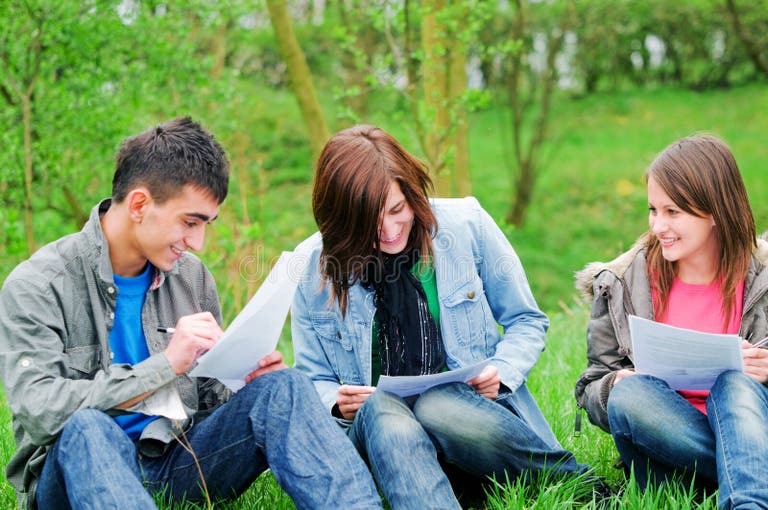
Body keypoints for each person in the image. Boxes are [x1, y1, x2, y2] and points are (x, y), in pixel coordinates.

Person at [0, 117, 382, 510]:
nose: (197, 242)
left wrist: (244, 382)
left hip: (173, 459)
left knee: (284, 387)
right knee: (89, 427)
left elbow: (210, 402)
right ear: (139, 204)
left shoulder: (192, 278)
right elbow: (42, 411)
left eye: (206, 225)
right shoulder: (38, 285)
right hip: (75, 473)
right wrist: (166, 364)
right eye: (189, 222)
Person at [291, 124, 587, 509]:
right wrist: (335, 401)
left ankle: (575, 483)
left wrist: (502, 370)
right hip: (383, 438)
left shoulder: (467, 225)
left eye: (398, 209)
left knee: (436, 403)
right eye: (370, 220)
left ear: (413, 193)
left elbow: (526, 320)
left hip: (469, 421)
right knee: (383, 407)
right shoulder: (313, 267)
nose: (390, 230)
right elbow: (311, 375)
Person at [574, 134, 768, 508]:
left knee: (735, 383)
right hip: (665, 451)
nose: (658, 225)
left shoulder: (761, 278)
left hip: (748, 426)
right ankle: (749, 475)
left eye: (673, 212)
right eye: (653, 210)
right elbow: (589, 386)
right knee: (631, 395)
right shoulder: (622, 282)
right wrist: (614, 384)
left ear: (715, 211)